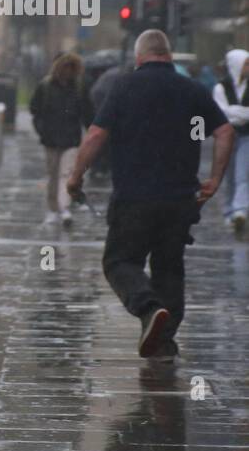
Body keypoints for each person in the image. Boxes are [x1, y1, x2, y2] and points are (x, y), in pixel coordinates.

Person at [67, 30, 234, 359]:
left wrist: (75, 177)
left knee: (119, 261)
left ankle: (148, 309)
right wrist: (214, 179)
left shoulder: (125, 87)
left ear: (139, 57)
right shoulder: (192, 89)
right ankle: (164, 341)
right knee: (169, 267)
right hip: (180, 200)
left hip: (134, 197)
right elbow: (225, 131)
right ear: (168, 56)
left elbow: (96, 134)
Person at [29, 52, 94, 226]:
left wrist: (91, 133)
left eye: (71, 69)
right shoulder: (45, 86)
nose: (68, 72)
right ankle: (52, 209)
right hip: (50, 138)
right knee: (53, 175)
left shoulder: (79, 88)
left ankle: (64, 208)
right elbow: (35, 110)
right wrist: (41, 130)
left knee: (66, 173)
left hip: (71, 139)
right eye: (65, 68)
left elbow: (88, 113)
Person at [212, 48, 249, 232]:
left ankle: (239, 210)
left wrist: (233, 112)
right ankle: (229, 211)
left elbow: (229, 112)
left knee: (243, 174)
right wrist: (241, 113)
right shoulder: (221, 87)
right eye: (246, 63)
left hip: (246, 136)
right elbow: (220, 111)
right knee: (229, 175)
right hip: (226, 137)